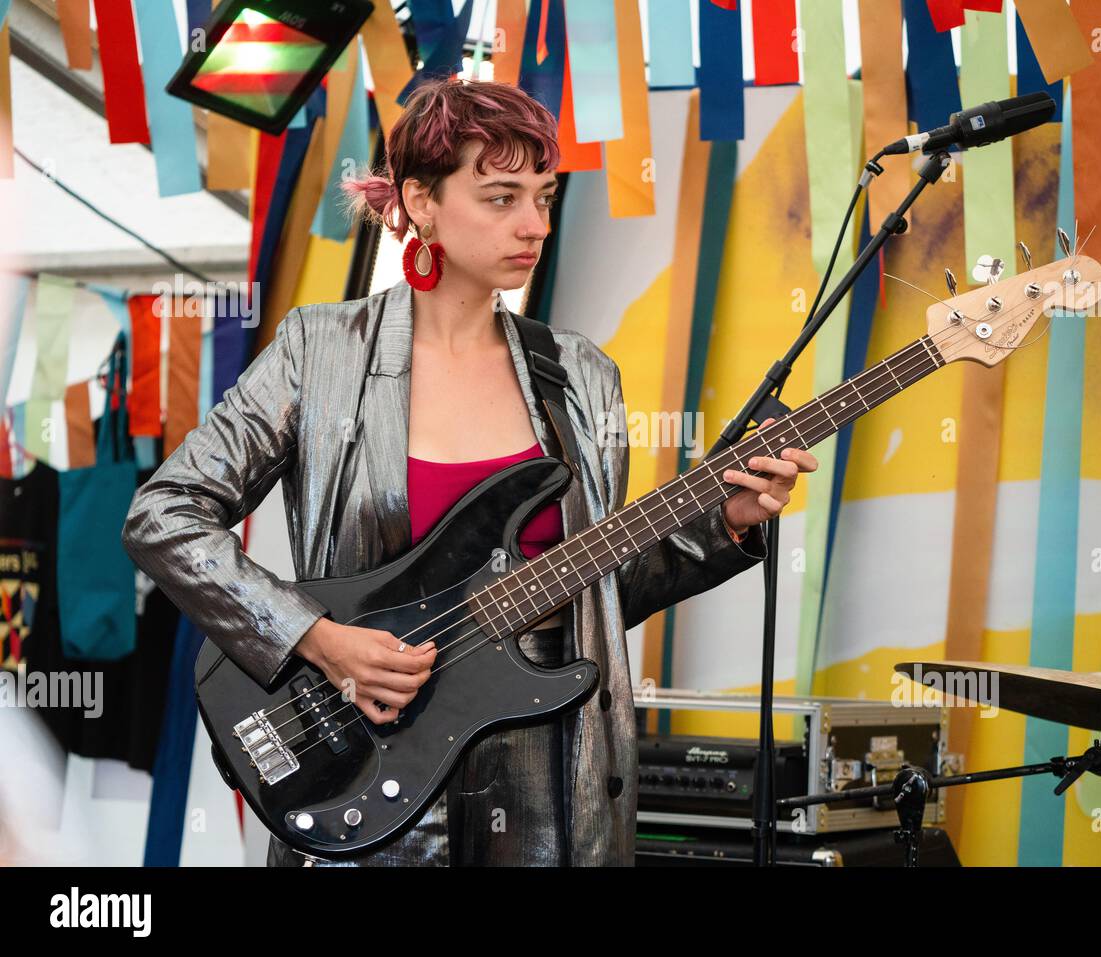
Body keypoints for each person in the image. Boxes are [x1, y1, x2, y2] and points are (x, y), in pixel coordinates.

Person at [121, 76, 818, 867]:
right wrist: (315, 638)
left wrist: (724, 524)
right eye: (500, 197)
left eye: (544, 197)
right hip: (363, 762)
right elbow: (165, 514)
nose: (534, 225)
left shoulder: (583, 376)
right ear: (421, 202)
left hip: (547, 782)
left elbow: (597, 591)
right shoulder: (320, 351)